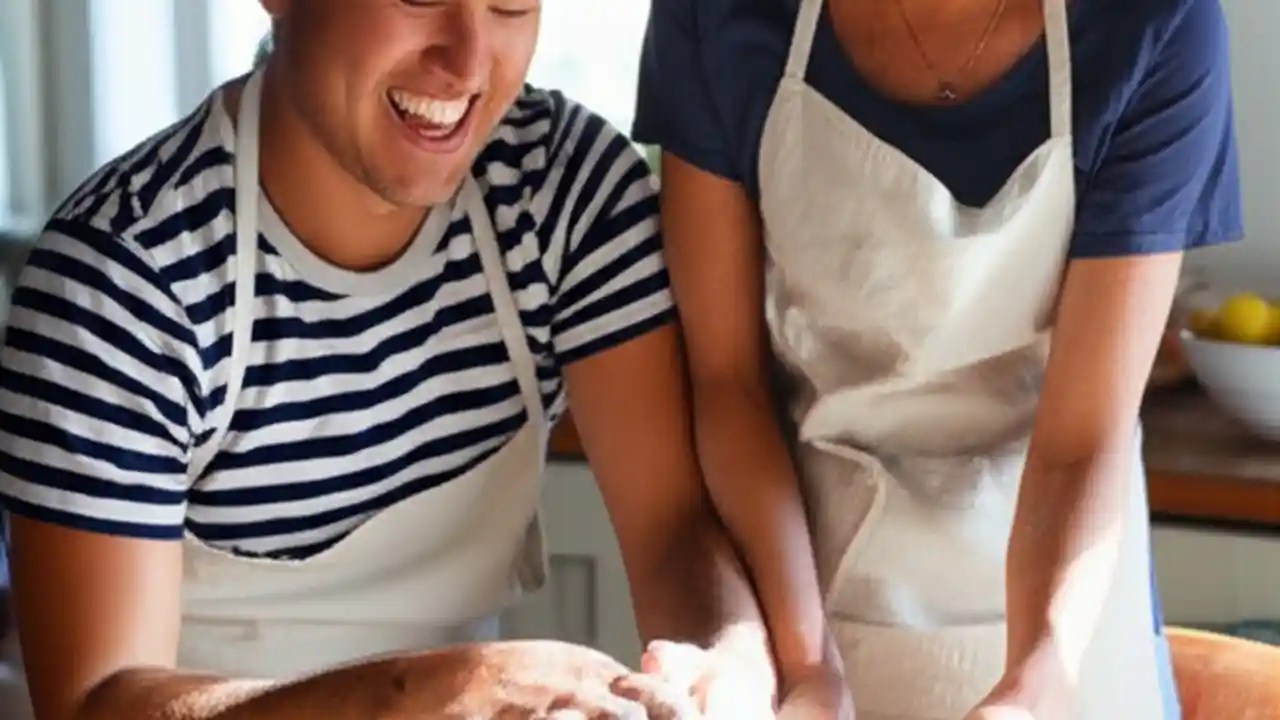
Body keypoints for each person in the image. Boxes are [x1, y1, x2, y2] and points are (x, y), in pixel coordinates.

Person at [0, 1, 786, 719]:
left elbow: (674, 525)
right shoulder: (123, 278)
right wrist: (424, 691)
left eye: (510, 2)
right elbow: (98, 702)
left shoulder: (562, 195)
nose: (469, 59)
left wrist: (728, 660)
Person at [634, 0, 1242, 717]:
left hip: (1068, 632)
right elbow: (726, 383)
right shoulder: (715, 14)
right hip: (811, 598)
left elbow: (1082, 438)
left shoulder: (1153, 22)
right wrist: (806, 666)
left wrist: (1033, 684)